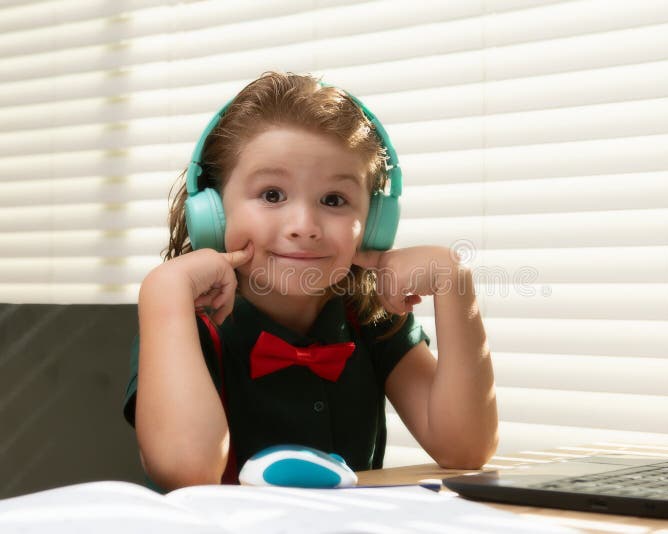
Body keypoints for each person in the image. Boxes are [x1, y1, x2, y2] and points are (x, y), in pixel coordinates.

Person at [123, 71, 498, 491]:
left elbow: (465, 449)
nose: (304, 226)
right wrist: (163, 290)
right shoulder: (181, 323)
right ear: (212, 212)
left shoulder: (370, 315)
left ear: (374, 223)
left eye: (334, 200)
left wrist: (453, 279)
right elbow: (187, 471)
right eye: (272, 195)